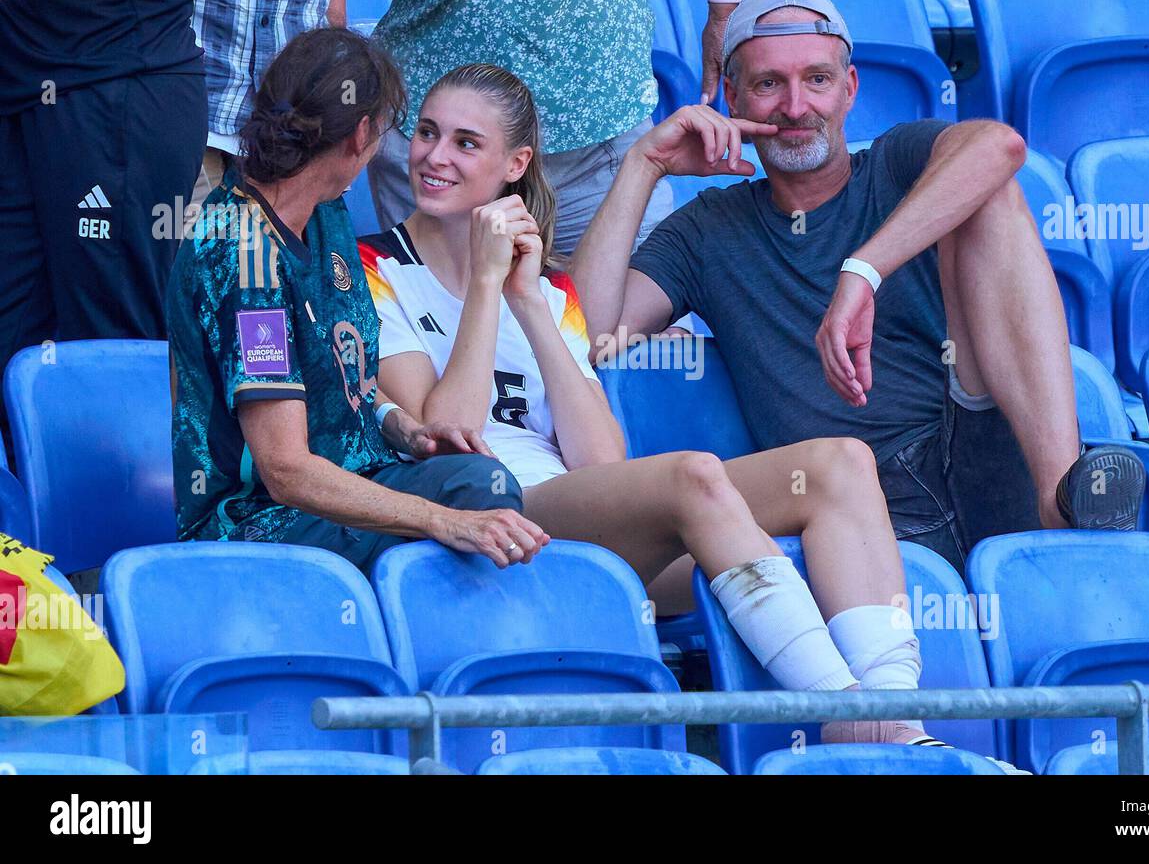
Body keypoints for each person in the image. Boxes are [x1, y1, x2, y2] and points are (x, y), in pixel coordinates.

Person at [361, 62, 1015, 762]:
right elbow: (447, 441)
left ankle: (893, 713)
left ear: (515, 165)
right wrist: (486, 286)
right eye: (427, 133)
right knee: (692, 477)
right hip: (484, 520)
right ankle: (849, 713)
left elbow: (601, 462)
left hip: (583, 533)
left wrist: (527, 299)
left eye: (465, 142)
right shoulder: (375, 269)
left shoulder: (545, 289)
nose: (432, 156)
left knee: (840, 463)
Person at [567, 0, 1147, 571]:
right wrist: (645, 165)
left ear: (849, 89)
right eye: (769, 84)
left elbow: (1000, 145)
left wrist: (862, 272)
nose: (796, 107)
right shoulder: (709, 228)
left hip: (979, 444)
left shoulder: (897, 163)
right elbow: (588, 334)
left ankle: (1060, 503)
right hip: (861, 506)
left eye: (816, 80)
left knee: (988, 194)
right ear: (734, 97)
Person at [168, 29, 547, 571]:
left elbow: (342, 381)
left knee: (479, 478)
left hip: (356, 479)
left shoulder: (326, 213)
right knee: (464, 522)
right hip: (257, 523)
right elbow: (286, 470)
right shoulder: (245, 254)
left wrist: (403, 428)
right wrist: (440, 518)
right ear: (361, 134)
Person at [366, 0, 750, 254]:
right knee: (437, 336)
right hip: (434, 145)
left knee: (639, 335)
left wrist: (726, 2)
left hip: (600, 144)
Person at [0, 0, 206, 454]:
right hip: (21, 89)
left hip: (117, 83)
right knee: (10, 346)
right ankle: (28, 531)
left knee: (109, 349)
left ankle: (130, 531)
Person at [168, 0, 369, 230]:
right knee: (185, 259)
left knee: (273, 269)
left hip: (293, 126)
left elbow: (334, 4)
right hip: (191, 114)